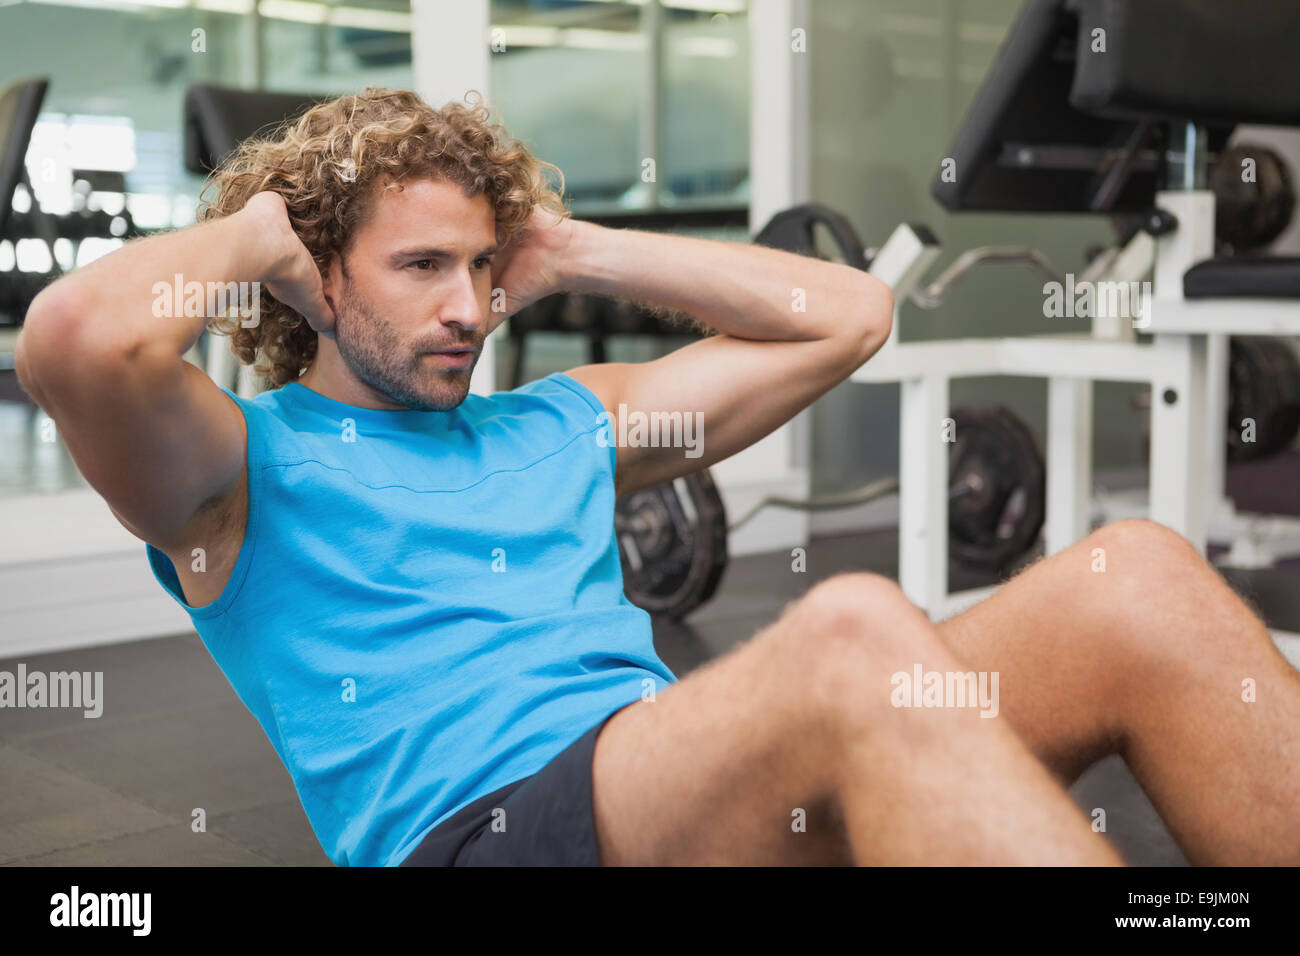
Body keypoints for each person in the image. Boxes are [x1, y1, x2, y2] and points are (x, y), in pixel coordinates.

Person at [15, 88, 1299, 866]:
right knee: (850, 634)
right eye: (419, 269)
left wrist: (569, 245)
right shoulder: (234, 477)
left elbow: (848, 314)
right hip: (493, 838)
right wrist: (256, 230)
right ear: (317, 276)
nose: (469, 308)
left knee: (1137, 575)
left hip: (691, 803)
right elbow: (71, 339)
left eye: (482, 265)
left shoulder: (558, 423)